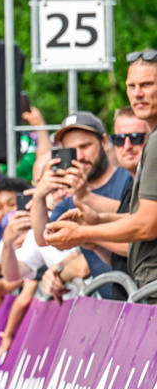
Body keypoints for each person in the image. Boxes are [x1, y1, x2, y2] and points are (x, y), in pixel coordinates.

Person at [46, 51, 157, 297]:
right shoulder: (153, 142)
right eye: (132, 86)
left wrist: (84, 232)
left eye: (147, 84)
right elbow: (141, 218)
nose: (138, 93)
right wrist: (97, 219)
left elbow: (147, 226)